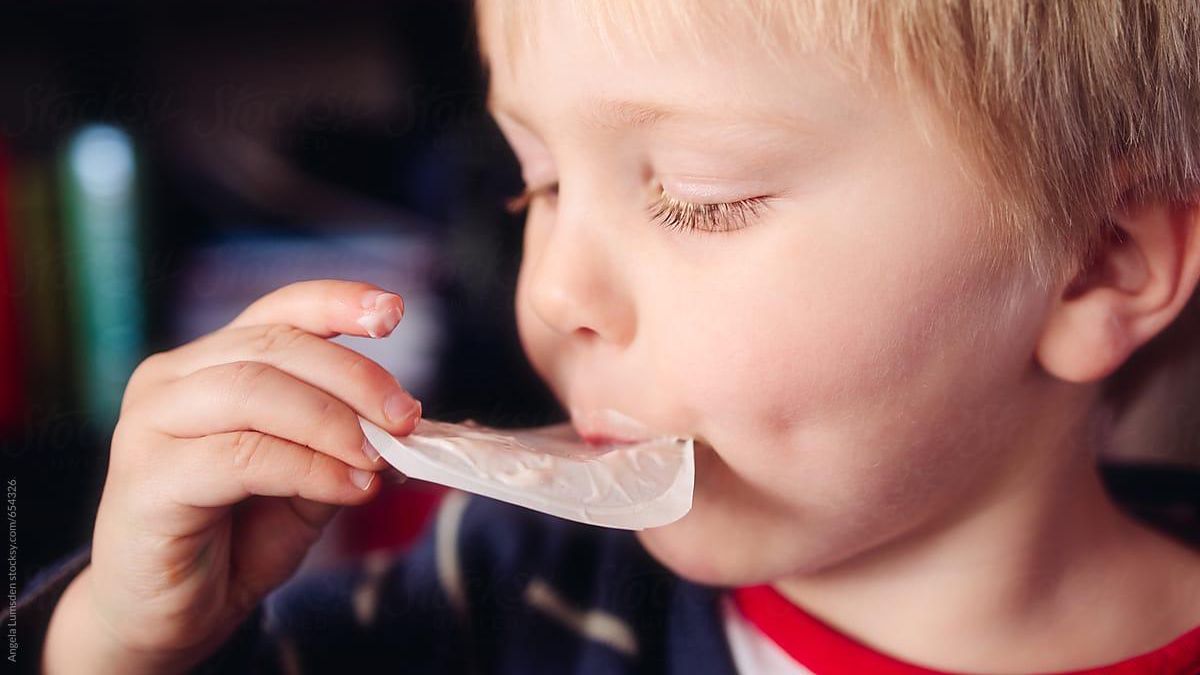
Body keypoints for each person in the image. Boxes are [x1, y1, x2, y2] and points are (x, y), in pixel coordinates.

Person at [16, 1, 1200, 672]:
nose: (552, 291)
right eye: (534, 185)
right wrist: (121, 640)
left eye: (695, 193)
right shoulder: (499, 600)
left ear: (1095, 266)